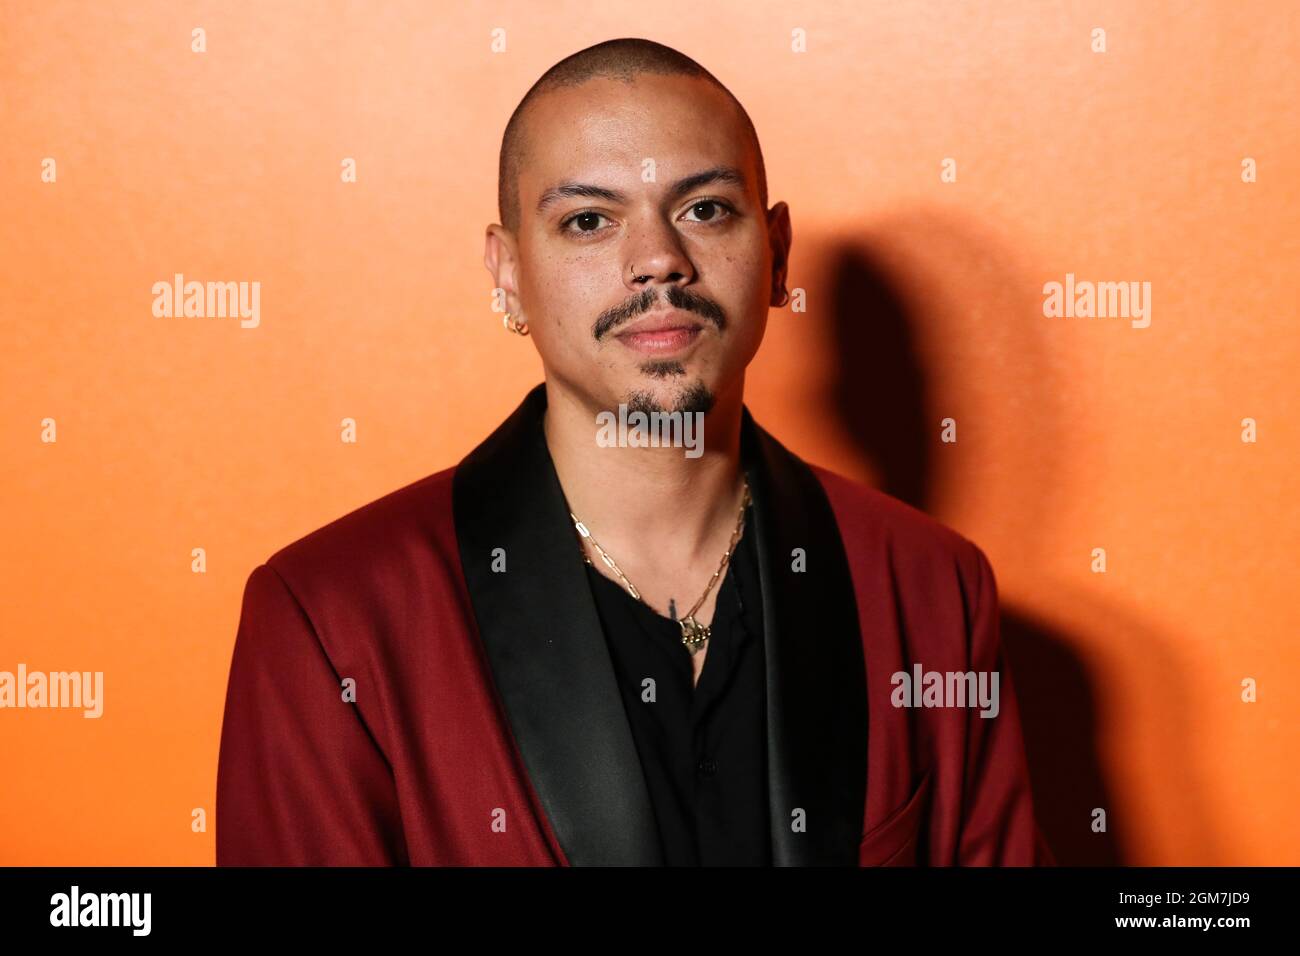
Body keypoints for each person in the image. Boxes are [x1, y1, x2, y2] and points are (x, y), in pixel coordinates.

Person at [216, 37, 1052, 867]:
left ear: (777, 253)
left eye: (706, 209)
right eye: (588, 220)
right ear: (507, 273)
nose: (658, 260)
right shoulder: (329, 620)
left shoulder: (934, 586)